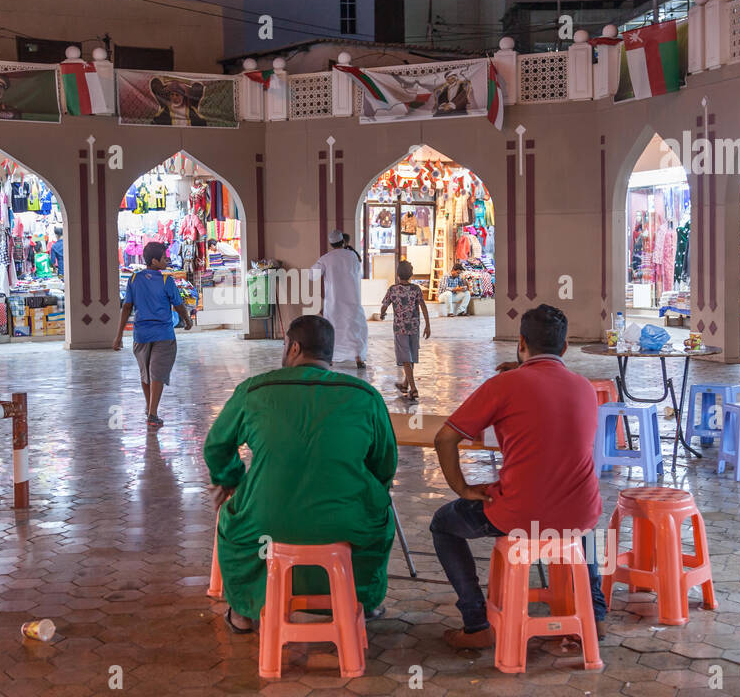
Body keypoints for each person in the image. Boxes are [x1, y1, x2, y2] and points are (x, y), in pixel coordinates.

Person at [204, 315, 397, 632]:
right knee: (378, 523)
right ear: (329, 354)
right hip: (347, 525)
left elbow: (216, 446)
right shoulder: (364, 396)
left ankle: (244, 613)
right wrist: (365, 495)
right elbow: (385, 464)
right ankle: (362, 603)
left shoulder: (255, 391)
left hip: (266, 524)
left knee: (232, 525)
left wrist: (232, 481)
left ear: (293, 347)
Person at [429, 304, 607, 648]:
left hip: (520, 514)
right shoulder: (585, 387)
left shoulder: (503, 385)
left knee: (442, 524)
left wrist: (463, 488)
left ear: (520, 343)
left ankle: (476, 623)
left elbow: (444, 438)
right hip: (580, 511)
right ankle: (595, 616)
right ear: (565, 347)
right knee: (579, 519)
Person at [113, 241, 192, 428]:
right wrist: (187, 320)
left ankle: (150, 408)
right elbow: (178, 305)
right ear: (155, 261)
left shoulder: (134, 279)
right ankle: (153, 413)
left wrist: (118, 336)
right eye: (164, 258)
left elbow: (126, 307)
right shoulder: (167, 280)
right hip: (163, 334)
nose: (167, 260)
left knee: (146, 373)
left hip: (141, 335)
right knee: (157, 374)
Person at [311, 229, 368, 368]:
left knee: (333, 330)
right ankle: (358, 357)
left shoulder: (326, 259)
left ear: (331, 244)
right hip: (352, 301)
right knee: (354, 329)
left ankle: (331, 358)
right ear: (343, 241)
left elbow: (312, 275)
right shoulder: (353, 256)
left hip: (334, 303)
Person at [379, 260, 431, 400]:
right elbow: (423, 306)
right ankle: (405, 385)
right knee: (411, 356)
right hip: (414, 327)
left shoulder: (393, 289)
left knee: (406, 359)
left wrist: (382, 314)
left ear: (397, 275)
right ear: (411, 275)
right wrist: (428, 324)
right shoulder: (416, 289)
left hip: (400, 329)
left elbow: (384, 305)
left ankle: (413, 388)